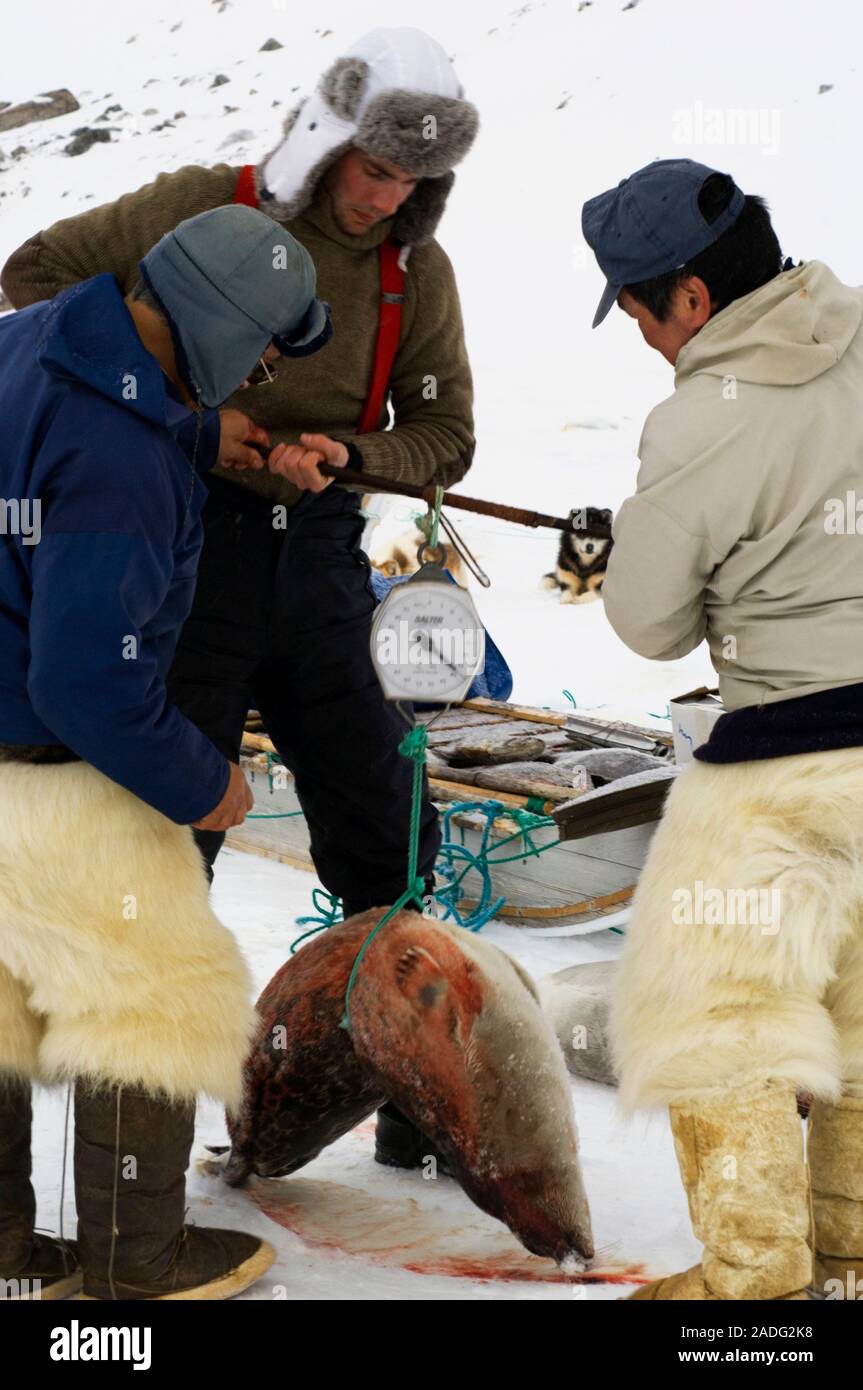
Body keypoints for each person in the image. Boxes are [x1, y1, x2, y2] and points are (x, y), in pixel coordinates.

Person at [1, 25, 480, 1172]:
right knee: (166, 842)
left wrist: (350, 459)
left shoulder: (417, 277)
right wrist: (177, 420)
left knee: (384, 825)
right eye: (374, 167)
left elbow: (445, 432)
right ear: (324, 145)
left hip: (314, 562)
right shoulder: (201, 207)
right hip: (172, 545)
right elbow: (35, 283)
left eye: (416, 178)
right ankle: (135, 1158)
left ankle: (417, 1102)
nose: (388, 195)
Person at [0, 204, 333, 1299]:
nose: (269, 369)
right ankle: (133, 1266)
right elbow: (85, 678)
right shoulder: (120, 460)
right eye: (270, 345)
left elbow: (53, 447)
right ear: (231, 334)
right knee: (150, 995)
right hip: (55, 776)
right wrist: (209, 786)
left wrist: (193, 432)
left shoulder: (37, 334)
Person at [583, 157, 863, 1301]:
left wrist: (637, 537)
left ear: (689, 300)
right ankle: (847, 1253)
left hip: (786, 760)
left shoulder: (697, 418)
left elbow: (648, 624)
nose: (644, 339)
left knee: (707, 1007)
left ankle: (752, 1290)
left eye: (640, 312)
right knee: (852, 1010)